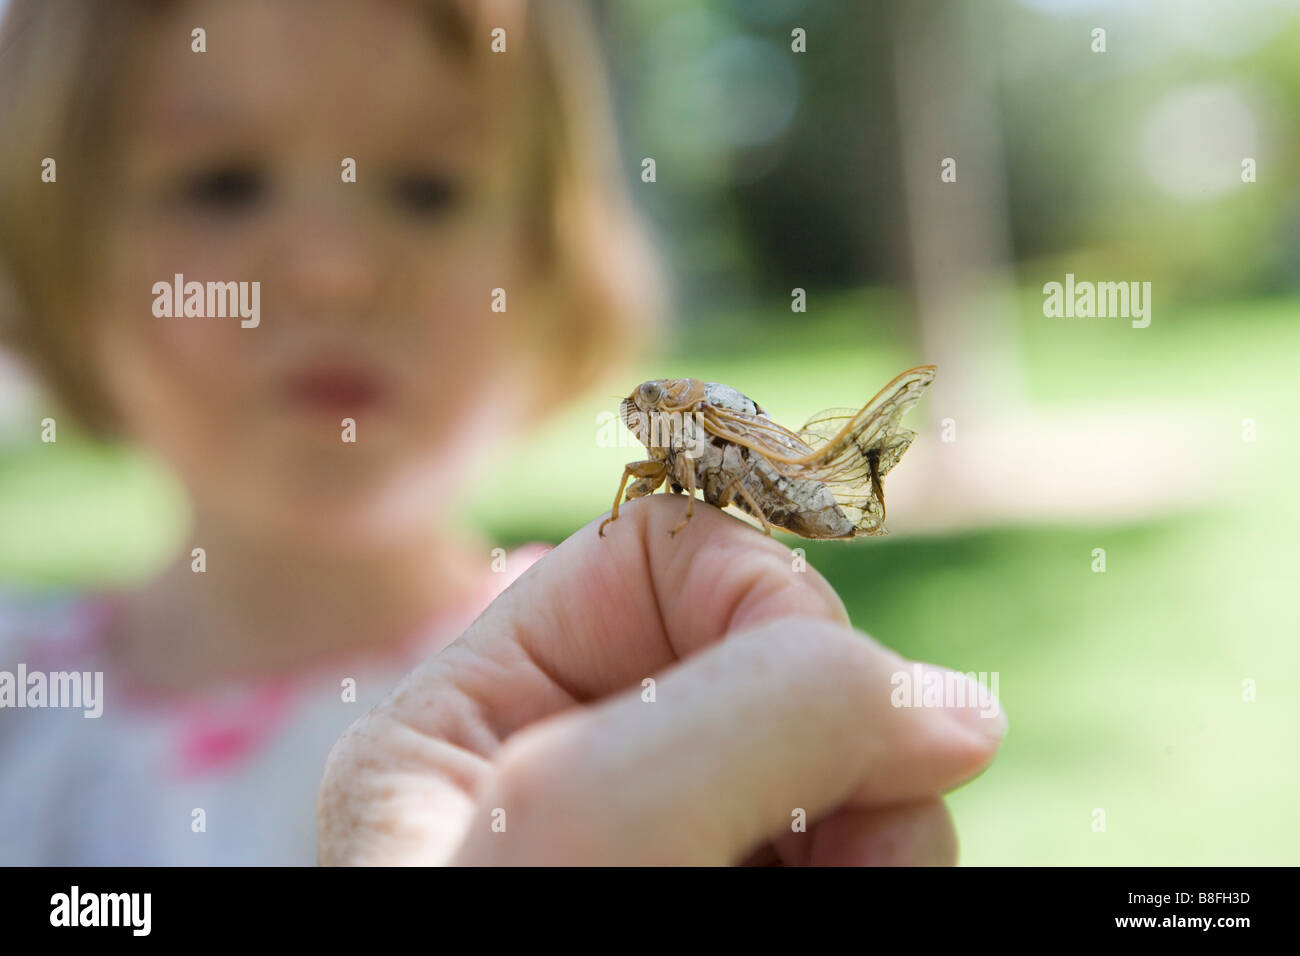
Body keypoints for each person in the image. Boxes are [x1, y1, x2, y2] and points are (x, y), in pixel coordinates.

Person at [0, 0, 1003, 865]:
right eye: (222, 183)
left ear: (545, 266)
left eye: (426, 188)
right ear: (52, 248)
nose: (334, 269)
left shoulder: (616, 673)